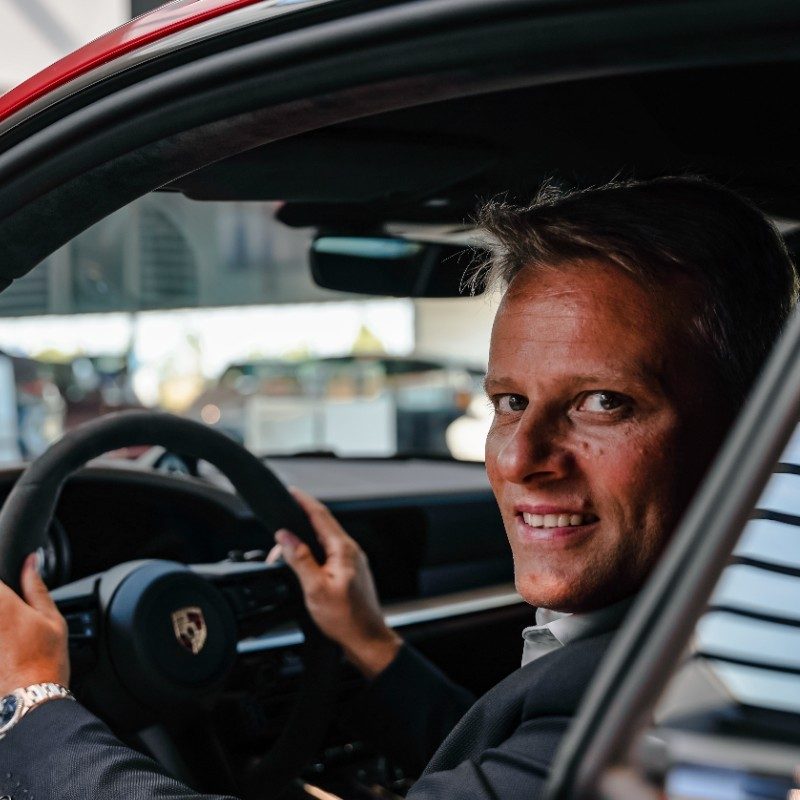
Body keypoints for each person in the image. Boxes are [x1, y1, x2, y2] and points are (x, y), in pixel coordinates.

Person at [0, 176, 796, 799]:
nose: (522, 458)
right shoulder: (717, 640)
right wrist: (369, 642)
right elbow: (509, 774)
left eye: (603, 403)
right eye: (509, 402)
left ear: (756, 429)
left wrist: (32, 704)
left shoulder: (661, 701)